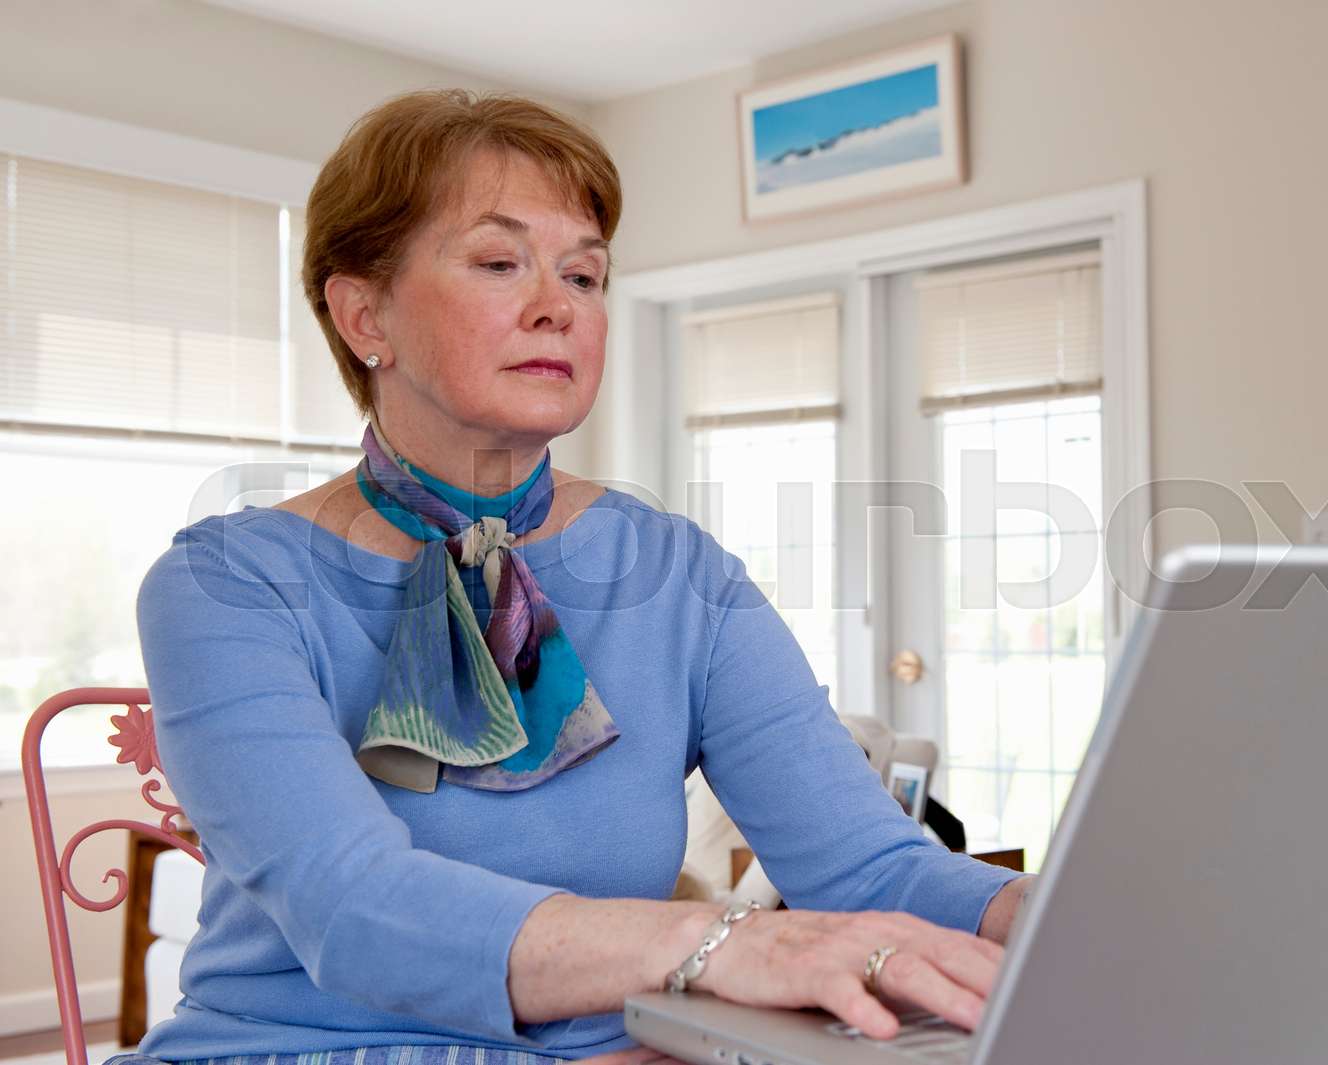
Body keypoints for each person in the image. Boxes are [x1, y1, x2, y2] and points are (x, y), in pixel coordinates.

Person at [130, 89, 1032, 1065]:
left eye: (585, 273)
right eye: (499, 261)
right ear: (362, 314)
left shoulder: (681, 574)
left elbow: (863, 866)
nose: (557, 306)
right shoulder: (225, 584)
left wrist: (1045, 910)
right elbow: (355, 910)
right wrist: (717, 944)